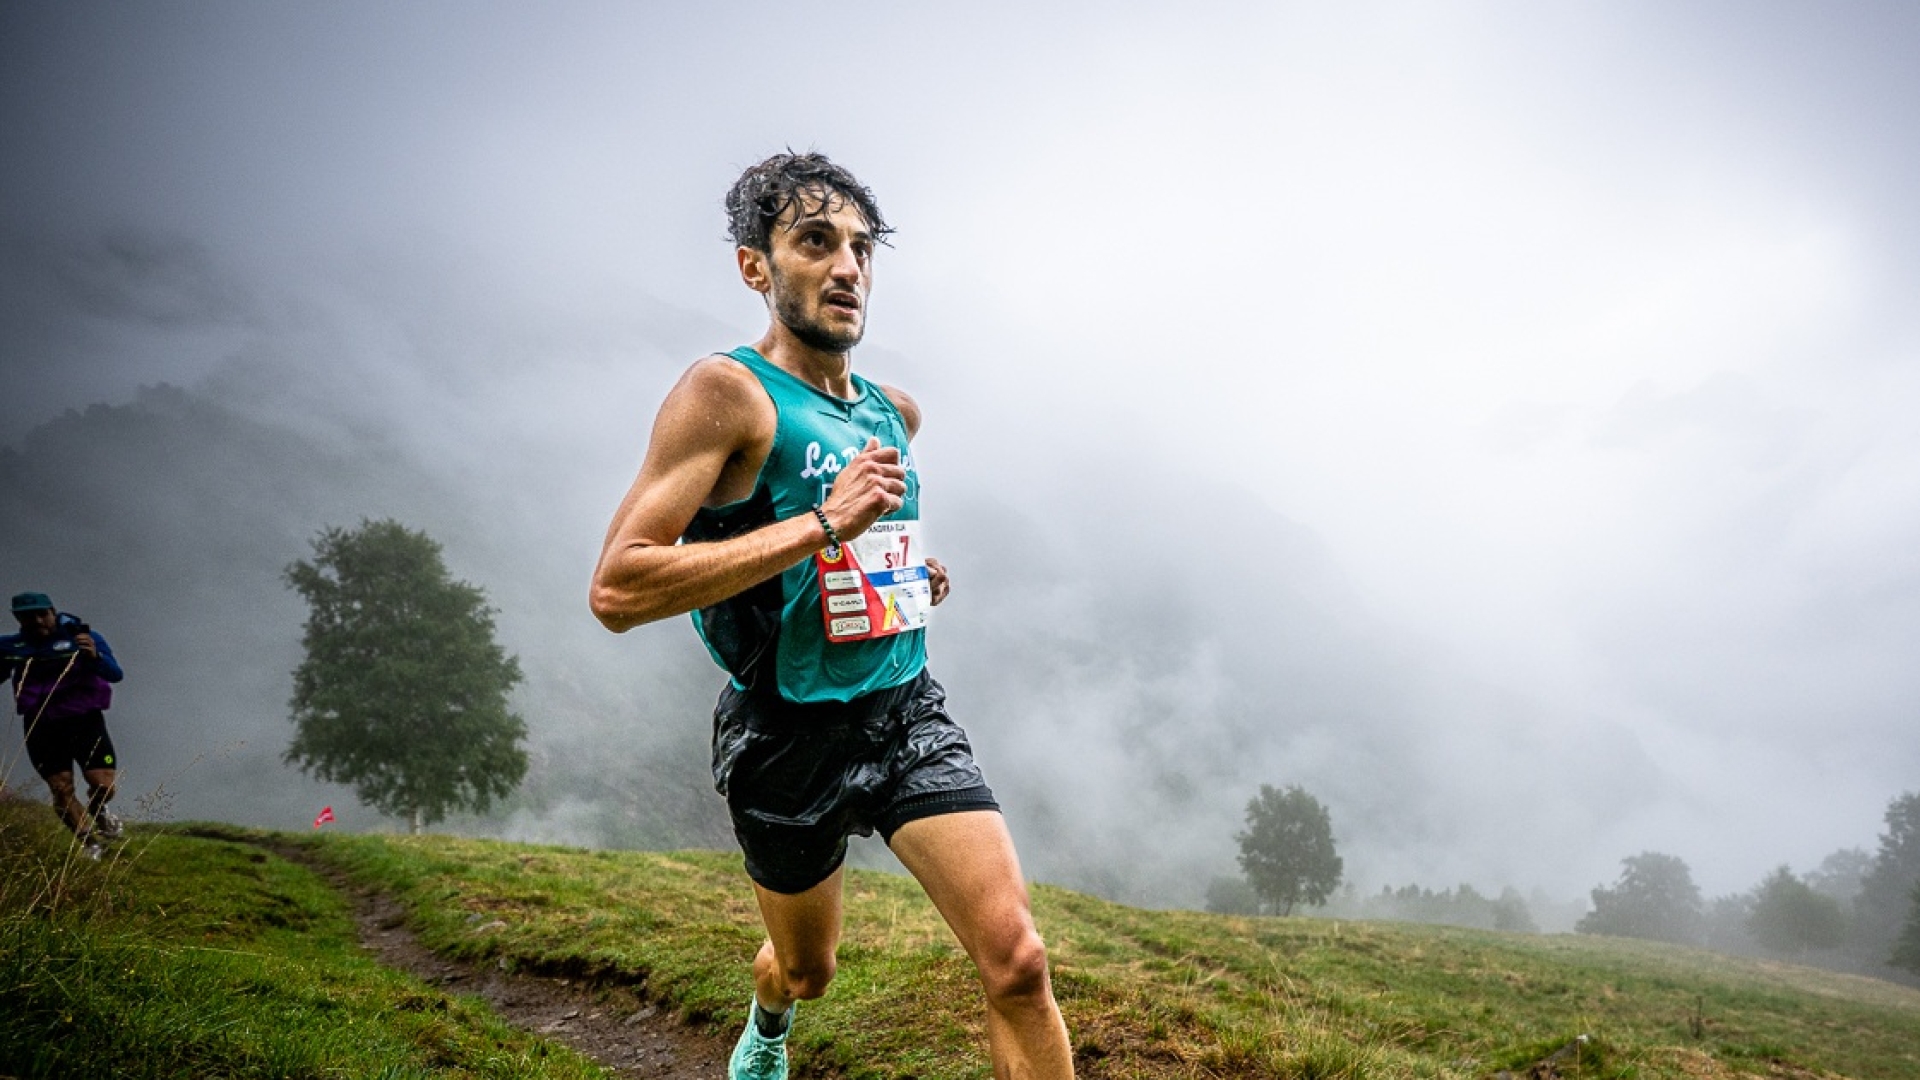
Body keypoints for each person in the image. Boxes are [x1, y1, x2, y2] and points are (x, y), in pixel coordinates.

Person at [591, 152, 1075, 1080]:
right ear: (756, 267)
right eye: (815, 242)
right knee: (810, 970)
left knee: (1018, 962)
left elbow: (856, 537)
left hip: (905, 710)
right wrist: (824, 524)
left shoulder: (895, 413)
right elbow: (619, 588)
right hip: (785, 735)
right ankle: (769, 1018)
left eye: (861, 247)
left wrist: (900, 574)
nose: (847, 266)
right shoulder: (725, 395)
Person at [2, 591, 126, 860]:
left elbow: (115, 674)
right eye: (27, 617)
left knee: (103, 784)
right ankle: (89, 843)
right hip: (41, 724)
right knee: (60, 787)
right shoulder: (11, 647)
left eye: (42, 614)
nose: (37, 621)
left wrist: (94, 657)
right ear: (17, 619)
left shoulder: (82, 638)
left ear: (52, 612)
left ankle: (99, 810)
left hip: (85, 720)